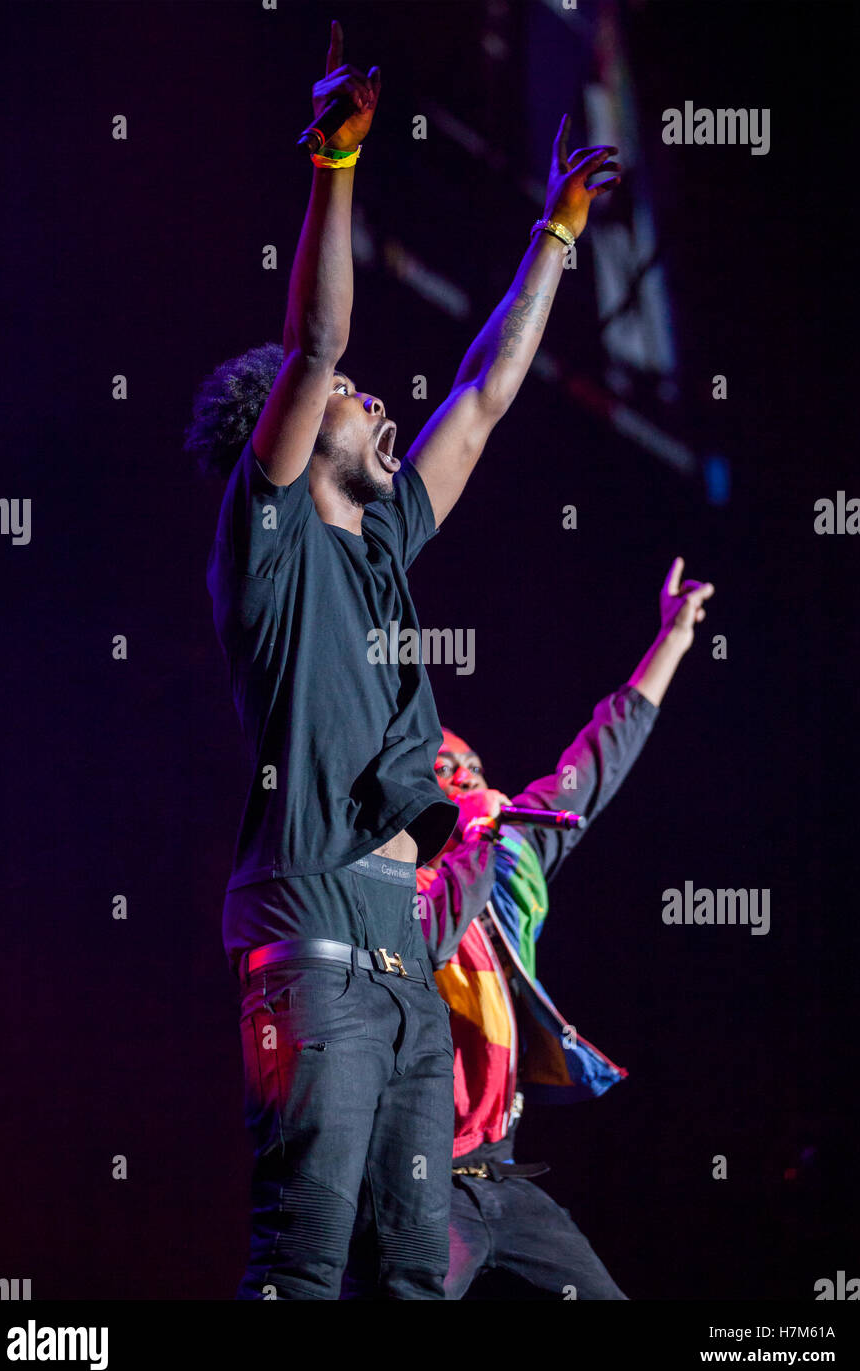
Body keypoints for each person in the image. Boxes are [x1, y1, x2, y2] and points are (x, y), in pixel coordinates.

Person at [184, 20, 620, 1300]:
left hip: (404, 964)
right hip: (311, 952)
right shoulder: (267, 553)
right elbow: (316, 349)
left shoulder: (378, 544)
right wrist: (337, 162)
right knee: (306, 1270)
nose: (383, 405)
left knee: (409, 1282)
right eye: (361, 399)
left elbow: (481, 400)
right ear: (300, 431)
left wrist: (558, 235)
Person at [417, 559, 714, 1299]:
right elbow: (427, 940)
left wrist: (672, 638)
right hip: (421, 1182)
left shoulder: (509, 874)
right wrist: (478, 838)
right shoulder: (391, 890)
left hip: (507, 1177)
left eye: (476, 768)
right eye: (448, 772)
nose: (473, 779)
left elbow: (599, 760)